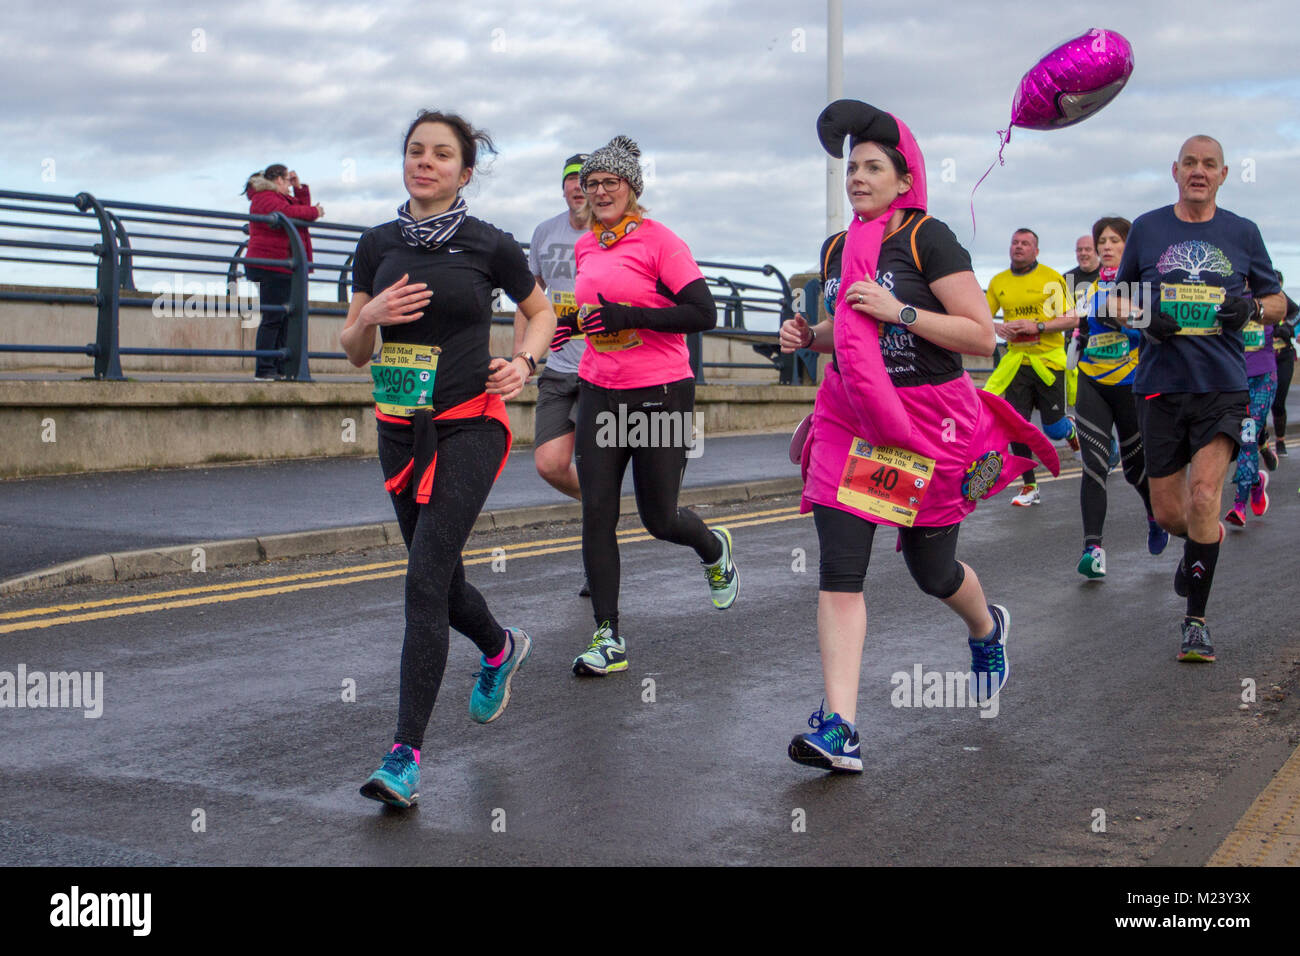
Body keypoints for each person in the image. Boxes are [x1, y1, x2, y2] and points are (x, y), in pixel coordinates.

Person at [781, 100, 1059, 772]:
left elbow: (979, 335)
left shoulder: (927, 239)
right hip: (850, 418)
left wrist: (900, 309)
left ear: (905, 180)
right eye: (852, 167)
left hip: (927, 424)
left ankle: (986, 626)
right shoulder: (836, 248)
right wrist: (809, 336)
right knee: (841, 570)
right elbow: (848, 330)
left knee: (932, 573)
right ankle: (841, 726)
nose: (858, 177)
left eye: (874, 167)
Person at [340, 110, 557, 808]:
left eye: (440, 154)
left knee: (423, 581)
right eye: (415, 151)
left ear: (464, 173)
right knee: (439, 578)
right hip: (399, 430)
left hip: (470, 424)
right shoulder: (375, 245)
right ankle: (499, 646)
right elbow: (354, 350)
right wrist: (368, 318)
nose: (424, 162)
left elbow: (543, 312)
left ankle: (403, 757)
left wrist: (524, 363)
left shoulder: (489, 244)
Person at [551, 135, 737, 676]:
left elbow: (703, 313)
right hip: (600, 390)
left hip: (660, 393)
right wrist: (573, 324)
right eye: (591, 183)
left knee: (659, 518)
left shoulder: (661, 242)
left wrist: (630, 316)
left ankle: (713, 548)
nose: (599, 191)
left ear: (631, 188)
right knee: (597, 511)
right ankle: (607, 637)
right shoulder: (587, 246)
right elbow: (599, 312)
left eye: (610, 182)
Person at [1114, 134, 1285, 662]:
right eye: (1190, 162)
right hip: (1160, 386)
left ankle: (1196, 624)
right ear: (1175, 171)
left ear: (1223, 175)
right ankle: (1200, 544)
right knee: (1172, 514)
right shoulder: (1147, 229)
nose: (1199, 171)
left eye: (1209, 164)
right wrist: (1145, 317)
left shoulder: (1242, 232)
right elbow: (1116, 299)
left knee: (1206, 495)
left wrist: (1251, 310)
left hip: (1223, 387)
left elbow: (1278, 301)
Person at [1068, 216, 1166, 578]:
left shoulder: (1142, 287)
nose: (1106, 247)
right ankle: (1092, 550)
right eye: (1102, 241)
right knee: (1093, 466)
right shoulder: (1091, 288)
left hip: (1131, 384)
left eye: (1114, 240)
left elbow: (1157, 331)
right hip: (1092, 381)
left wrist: (1129, 319)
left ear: (1129, 245)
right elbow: (1077, 323)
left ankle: (1155, 515)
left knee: (1135, 469)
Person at [514, 153, 591, 595]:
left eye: (585, 180)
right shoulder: (545, 233)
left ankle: (596, 563)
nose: (578, 187)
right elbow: (528, 300)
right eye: (571, 180)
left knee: (592, 464)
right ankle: (599, 504)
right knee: (549, 463)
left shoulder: (610, 232)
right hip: (559, 369)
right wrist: (522, 358)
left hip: (603, 370)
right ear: (563, 188)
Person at [983, 228, 1080, 506]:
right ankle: (1030, 486)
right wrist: (997, 328)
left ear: (1036, 251)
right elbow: (980, 315)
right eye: (1015, 242)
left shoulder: (1051, 278)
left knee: (1054, 429)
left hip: (1048, 362)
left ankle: (1069, 429)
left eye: (1025, 243)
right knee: (1017, 425)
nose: (1018, 247)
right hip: (1017, 363)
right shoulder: (999, 281)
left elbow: (1072, 319)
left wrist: (1036, 326)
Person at [243, 164, 322, 380]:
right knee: (274, 317)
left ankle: (278, 366)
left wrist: (299, 188)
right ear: (278, 179)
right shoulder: (264, 197)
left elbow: (299, 212)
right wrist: (315, 211)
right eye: (288, 181)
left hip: (281, 264)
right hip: (270, 265)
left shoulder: (277, 197)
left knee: (285, 317)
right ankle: (264, 369)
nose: (289, 185)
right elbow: (290, 213)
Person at [1224, 305, 1275, 526]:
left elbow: (1290, 312)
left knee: (1248, 436)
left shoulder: (1268, 296)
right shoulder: (1229, 293)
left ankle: (1239, 506)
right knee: (1240, 439)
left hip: (1263, 379)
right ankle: (1256, 483)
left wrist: (1285, 330)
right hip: (1235, 379)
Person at [1259, 272, 1297, 463]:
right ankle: (1262, 441)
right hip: (1262, 357)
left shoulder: (1283, 299)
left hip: (1283, 356)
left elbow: (1297, 313)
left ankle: (1280, 441)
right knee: (1261, 403)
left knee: (1278, 401)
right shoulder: (1257, 297)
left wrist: (1288, 328)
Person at [1063, 233, 1101, 306]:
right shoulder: (1066, 279)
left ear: (1097, 251)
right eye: (1079, 250)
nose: (1083, 253)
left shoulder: (1108, 274)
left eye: (1088, 249)